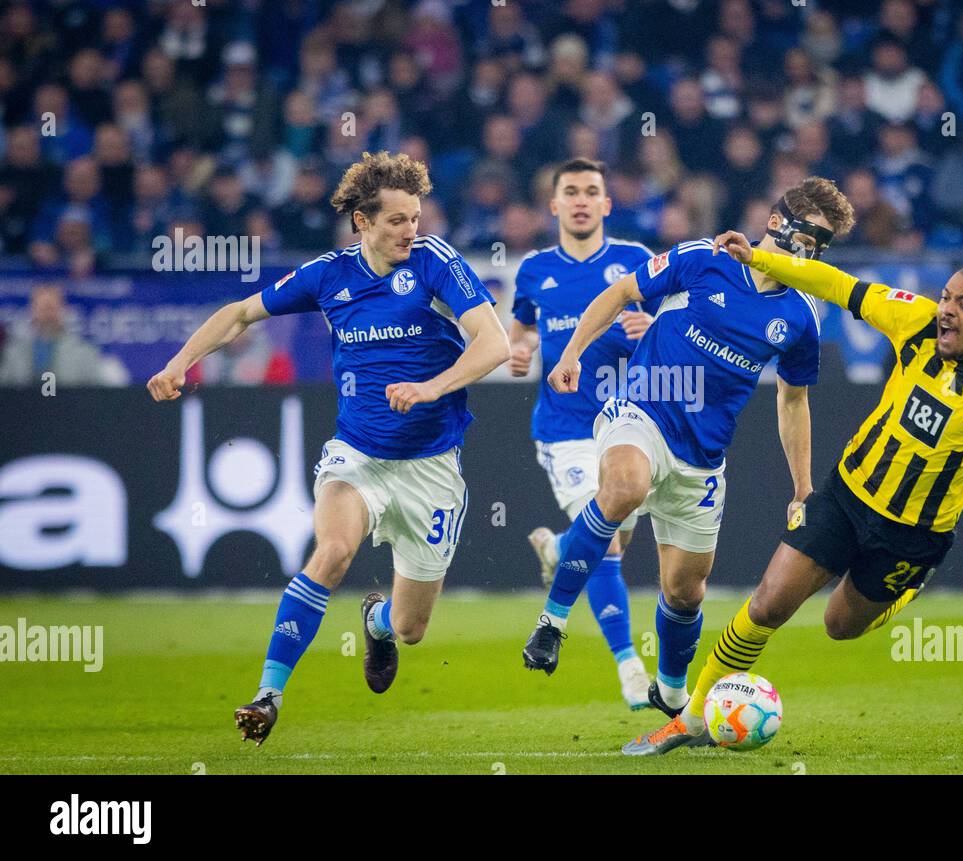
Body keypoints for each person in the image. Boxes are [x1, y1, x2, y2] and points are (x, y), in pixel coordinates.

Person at [624, 233, 963, 754]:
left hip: (913, 534)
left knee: (840, 626)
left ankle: (907, 584)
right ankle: (691, 720)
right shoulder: (914, 320)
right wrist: (760, 258)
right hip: (846, 496)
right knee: (768, 604)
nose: (947, 311)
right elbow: (837, 284)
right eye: (947, 297)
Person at [147, 151, 510, 745]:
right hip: (357, 453)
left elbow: (492, 343)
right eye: (396, 220)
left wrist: (429, 388)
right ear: (361, 223)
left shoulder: (435, 262)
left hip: (431, 464)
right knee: (334, 549)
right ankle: (268, 693)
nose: (410, 231)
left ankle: (377, 621)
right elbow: (240, 314)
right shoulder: (328, 275)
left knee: (412, 628)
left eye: (414, 217)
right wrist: (179, 362)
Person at [520, 177, 855, 723]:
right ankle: (552, 623)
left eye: (824, 245)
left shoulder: (799, 317)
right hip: (641, 410)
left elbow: (794, 402)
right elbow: (621, 293)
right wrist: (573, 353)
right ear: (777, 224)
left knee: (685, 592)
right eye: (810, 236)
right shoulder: (705, 258)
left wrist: (802, 488)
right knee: (623, 488)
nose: (814, 252)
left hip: (701, 458)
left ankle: (672, 695)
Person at [508, 158, 657, 709]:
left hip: (628, 425)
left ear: (606, 204)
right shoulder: (533, 268)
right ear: (554, 205)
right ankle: (629, 666)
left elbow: (679, 323)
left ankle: (558, 550)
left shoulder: (635, 262)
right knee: (610, 541)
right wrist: (519, 348)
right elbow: (520, 324)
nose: (580, 200)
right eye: (569, 191)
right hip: (564, 428)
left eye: (591, 191)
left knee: (598, 540)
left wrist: (654, 325)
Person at [0, 284, 128, 387]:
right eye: (42, 308)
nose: (47, 315)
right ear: (32, 310)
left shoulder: (83, 351)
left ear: (63, 310)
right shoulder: (13, 351)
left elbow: (98, 392)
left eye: (51, 308)